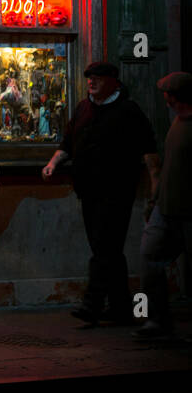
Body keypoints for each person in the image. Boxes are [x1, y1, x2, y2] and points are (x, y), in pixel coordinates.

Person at [42, 62, 159, 325]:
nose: (91, 83)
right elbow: (68, 143)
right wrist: (52, 163)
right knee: (107, 249)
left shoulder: (128, 111)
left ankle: (92, 304)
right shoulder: (84, 107)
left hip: (116, 192)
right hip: (88, 191)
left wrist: (155, 186)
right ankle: (120, 307)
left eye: (97, 79)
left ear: (113, 83)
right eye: (89, 79)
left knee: (104, 247)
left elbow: (149, 148)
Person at [134, 72, 192, 339]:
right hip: (165, 207)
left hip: (187, 210)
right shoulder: (176, 122)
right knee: (149, 257)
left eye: (167, 95)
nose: (164, 100)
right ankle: (157, 319)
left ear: (175, 97)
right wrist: (155, 199)